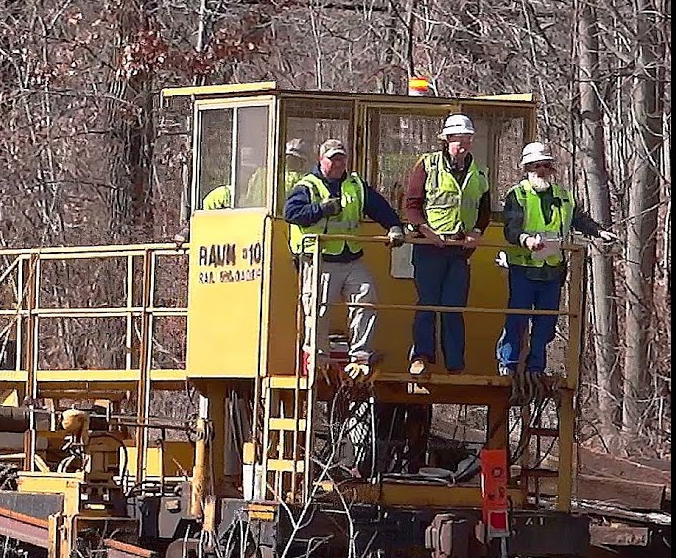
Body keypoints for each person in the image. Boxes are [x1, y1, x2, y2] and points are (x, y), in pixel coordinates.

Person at [283, 139, 406, 372]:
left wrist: (394, 226)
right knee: (318, 309)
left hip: (351, 257)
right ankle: (317, 359)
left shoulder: (355, 184)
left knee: (366, 297)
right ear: (322, 160)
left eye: (341, 158)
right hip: (319, 259)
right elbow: (291, 213)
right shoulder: (307, 186)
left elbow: (379, 207)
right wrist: (321, 209)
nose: (338, 163)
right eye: (333, 159)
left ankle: (360, 357)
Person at [496, 142, 617, 376]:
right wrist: (526, 240)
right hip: (523, 267)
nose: (541, 170)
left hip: (551, 270)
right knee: (517, 319)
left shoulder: (563, 196)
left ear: (551, 168)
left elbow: (579, 219)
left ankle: (535, 368)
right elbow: (510, 229)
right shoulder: (518, 195)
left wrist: (599, 232)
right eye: (535, 165)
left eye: (545, 165)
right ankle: (508, 365)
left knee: (546, 324)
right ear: (526, 168)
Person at [403, 113, 491, 376]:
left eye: (466, 140)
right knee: (428, 303)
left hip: (459, 250)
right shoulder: (428, 165)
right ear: (446, 141)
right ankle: (421, 357)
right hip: (429, 248)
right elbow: (411, 204)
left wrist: (476, 232)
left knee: (453, 306)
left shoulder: (479, 172)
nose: (461, 145)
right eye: (456, 140)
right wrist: (426, 231)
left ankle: (455, 363)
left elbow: (483, 210)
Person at [200, 138, 308, 211]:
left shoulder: (266, 174)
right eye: (244, 169)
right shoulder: (222, 194)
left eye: (249, 170)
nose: (247, 174)